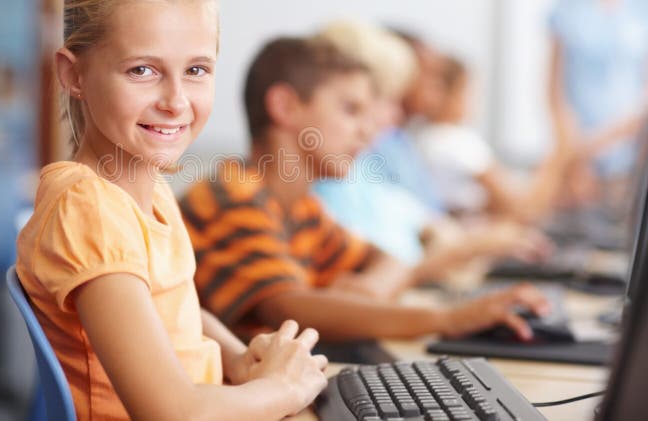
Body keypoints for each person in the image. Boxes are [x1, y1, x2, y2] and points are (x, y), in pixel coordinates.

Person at [15, 0, 328, 421]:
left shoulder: (147, 192)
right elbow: (171, 412)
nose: (176, 100)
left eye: (197, 69)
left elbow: (175, 317)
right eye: (142, 70)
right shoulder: (89, 207)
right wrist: (284, 392)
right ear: (74, 75)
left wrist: (237, 357)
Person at [180, 36, 550, 345]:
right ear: (285, 106)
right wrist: (448, 319)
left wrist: (366, 294)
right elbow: (289, 309)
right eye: (350, 109)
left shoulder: (302, 209)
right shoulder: (234, 196)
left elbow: (387, 260)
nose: (366, 131)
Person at [311, 21, 552, 272]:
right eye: (352, 108)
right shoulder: (340, 174)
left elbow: (421, 230)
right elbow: (377, 275)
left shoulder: (384, 155)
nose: (386, 118)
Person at [547, 0, 648, 205]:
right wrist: (574, 154)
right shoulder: (569, 4)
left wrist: (596, 144)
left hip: (632, 159)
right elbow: (554, 88)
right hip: (577, 165)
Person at [412, 54, 569, 223]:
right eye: (466, 92)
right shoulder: (456, 141)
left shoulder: (416, 136)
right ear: (449, 93)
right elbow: (519, 207)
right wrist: (559, 154)